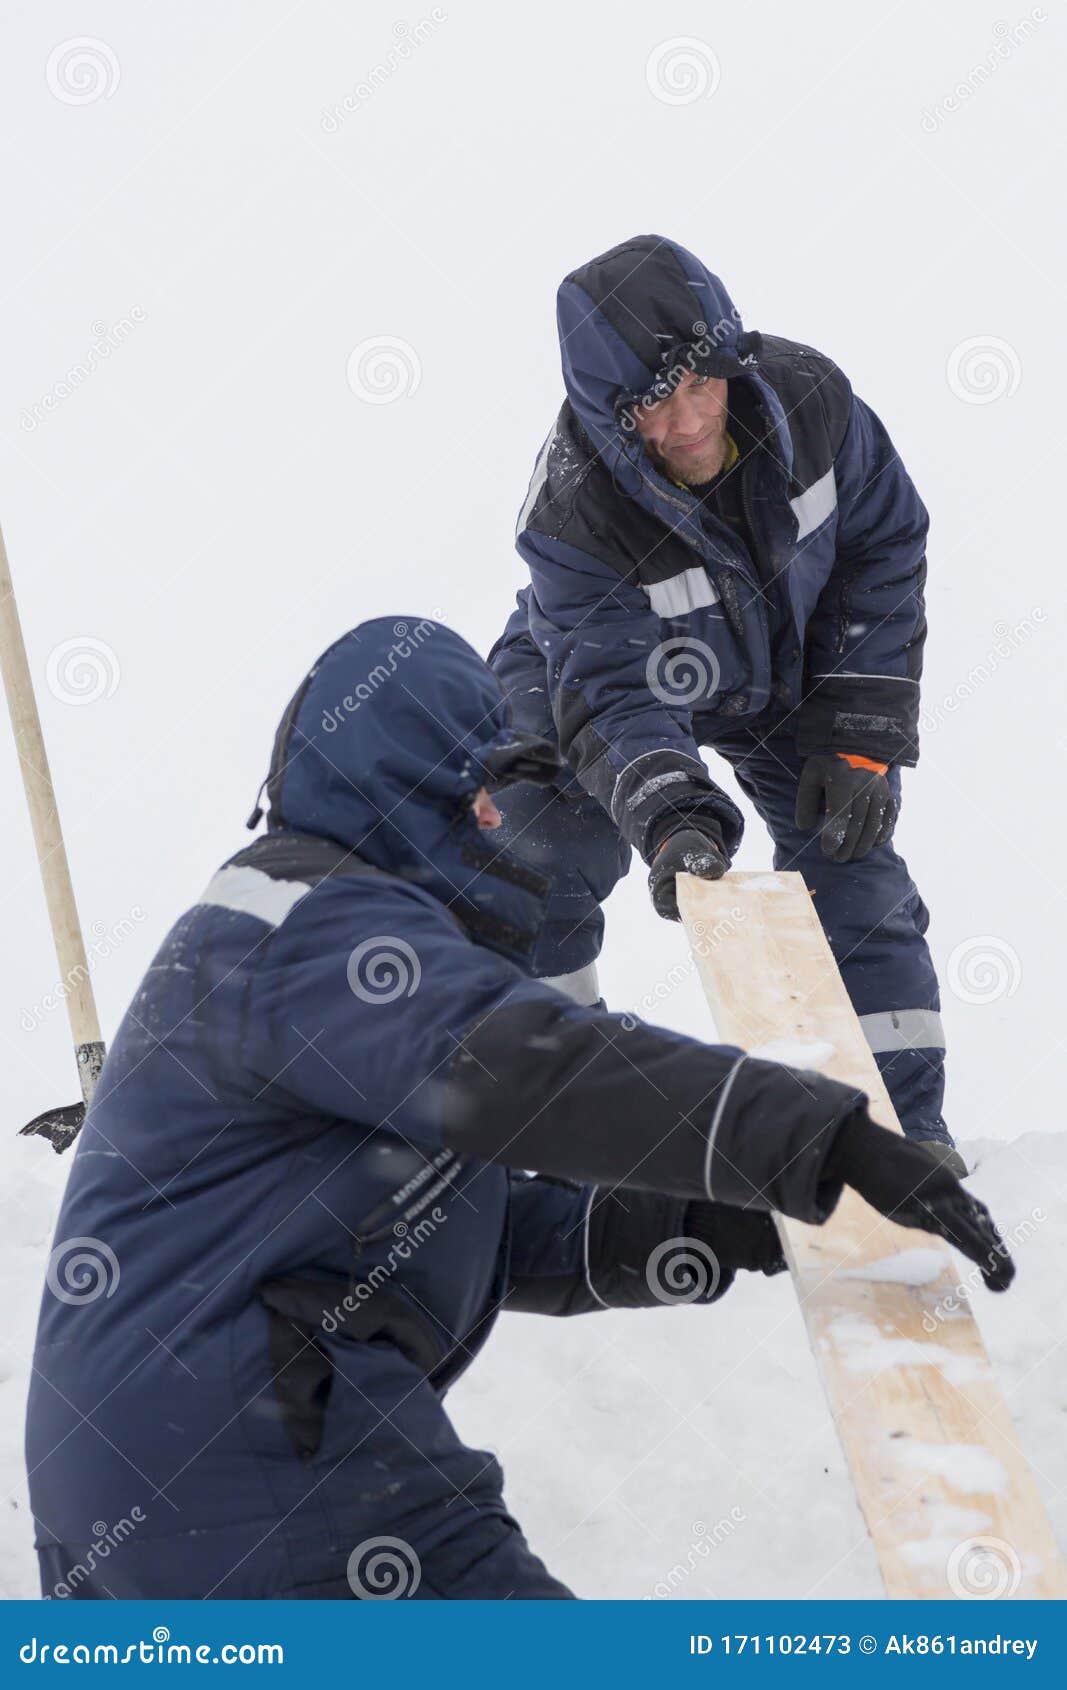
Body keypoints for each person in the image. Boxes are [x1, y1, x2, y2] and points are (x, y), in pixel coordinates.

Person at [26, 618, 1011, 1601]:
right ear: (420, 786)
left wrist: (707, 1225)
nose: (501, 820)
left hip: (135, 1477)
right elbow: (531, 1069)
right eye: (484, 788)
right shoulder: (305, 921)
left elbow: (458, 1221)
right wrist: (809, 1135)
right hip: (245, 1447)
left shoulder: (291, 940)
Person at [491, 234, 960, 1170]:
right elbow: (614, 690)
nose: (684, 423)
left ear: (727, 357)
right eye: (645, 409)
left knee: (853, 864)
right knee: (539, 846)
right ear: (605, 415)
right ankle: (557, 1118)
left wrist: (860, 737)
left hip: (778, 673)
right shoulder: (572, 519)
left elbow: (883, 551)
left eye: (695, 384)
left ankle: (898, 1134)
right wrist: (672, 817)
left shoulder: (816, 408)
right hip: (583, 677)